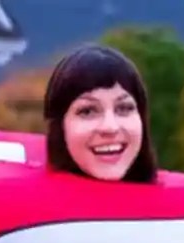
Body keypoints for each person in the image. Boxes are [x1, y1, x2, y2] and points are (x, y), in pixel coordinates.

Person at [42, 44, 158, 183]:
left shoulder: (180, 203)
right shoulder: (21, 204)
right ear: (59, 126)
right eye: (88, 111)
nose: (110, 127)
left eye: (124, 108)